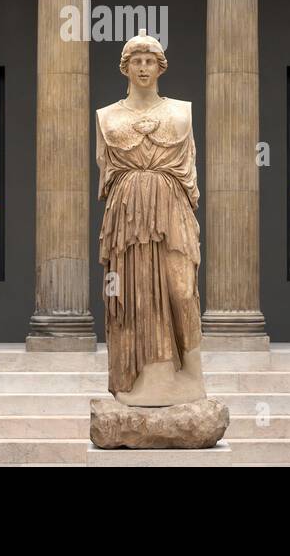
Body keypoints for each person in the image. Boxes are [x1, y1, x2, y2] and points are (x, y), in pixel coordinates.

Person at [96, 31, 207, 406]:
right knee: (132, 294)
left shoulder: (180, 112)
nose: (143, 67)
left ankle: (191, 376)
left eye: (150, 60)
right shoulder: (108, 117)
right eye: (136, 61)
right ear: (126, 68)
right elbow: (107, 176)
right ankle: (143, 378)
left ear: (161, 67)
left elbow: (189, 176)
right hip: (127, 219)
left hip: (172, 210)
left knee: (181, 290)